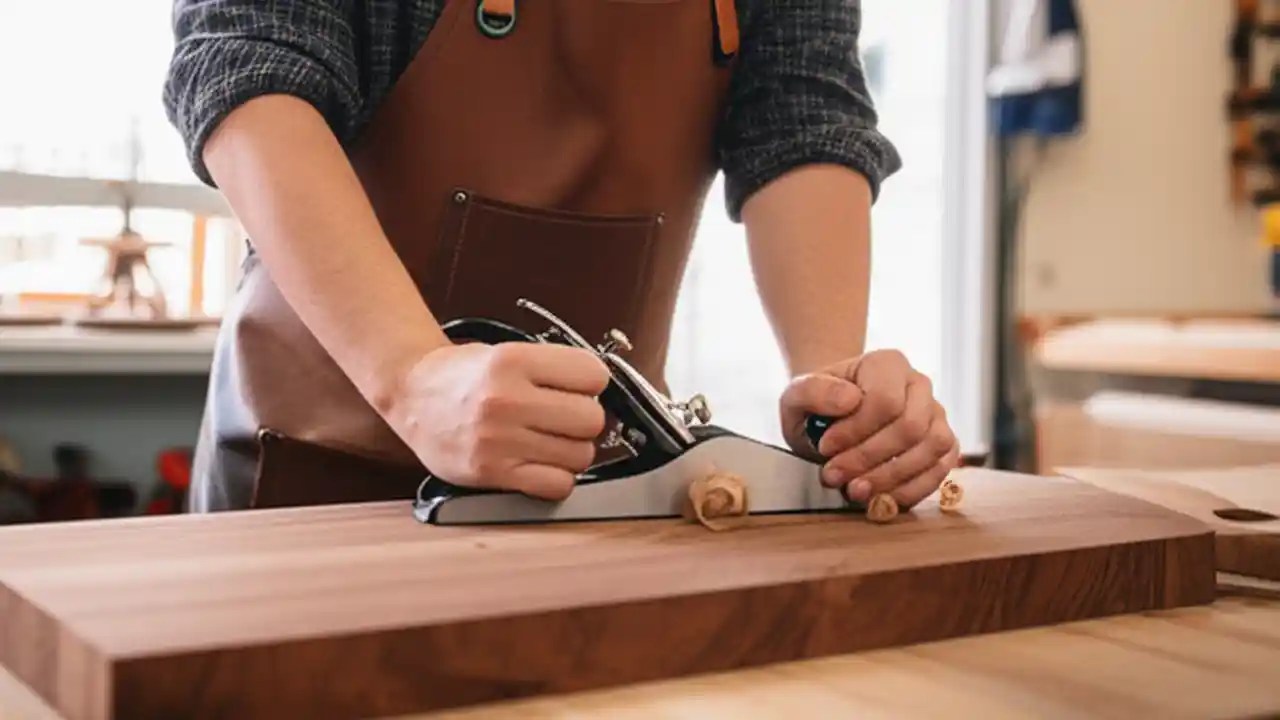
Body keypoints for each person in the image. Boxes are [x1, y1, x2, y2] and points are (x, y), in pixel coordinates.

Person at [163, 0, 962, 513]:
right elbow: (247, 69)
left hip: (597, 489)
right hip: (316, 480)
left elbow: (802, 118)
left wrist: (834, 393)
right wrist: (412, 374)